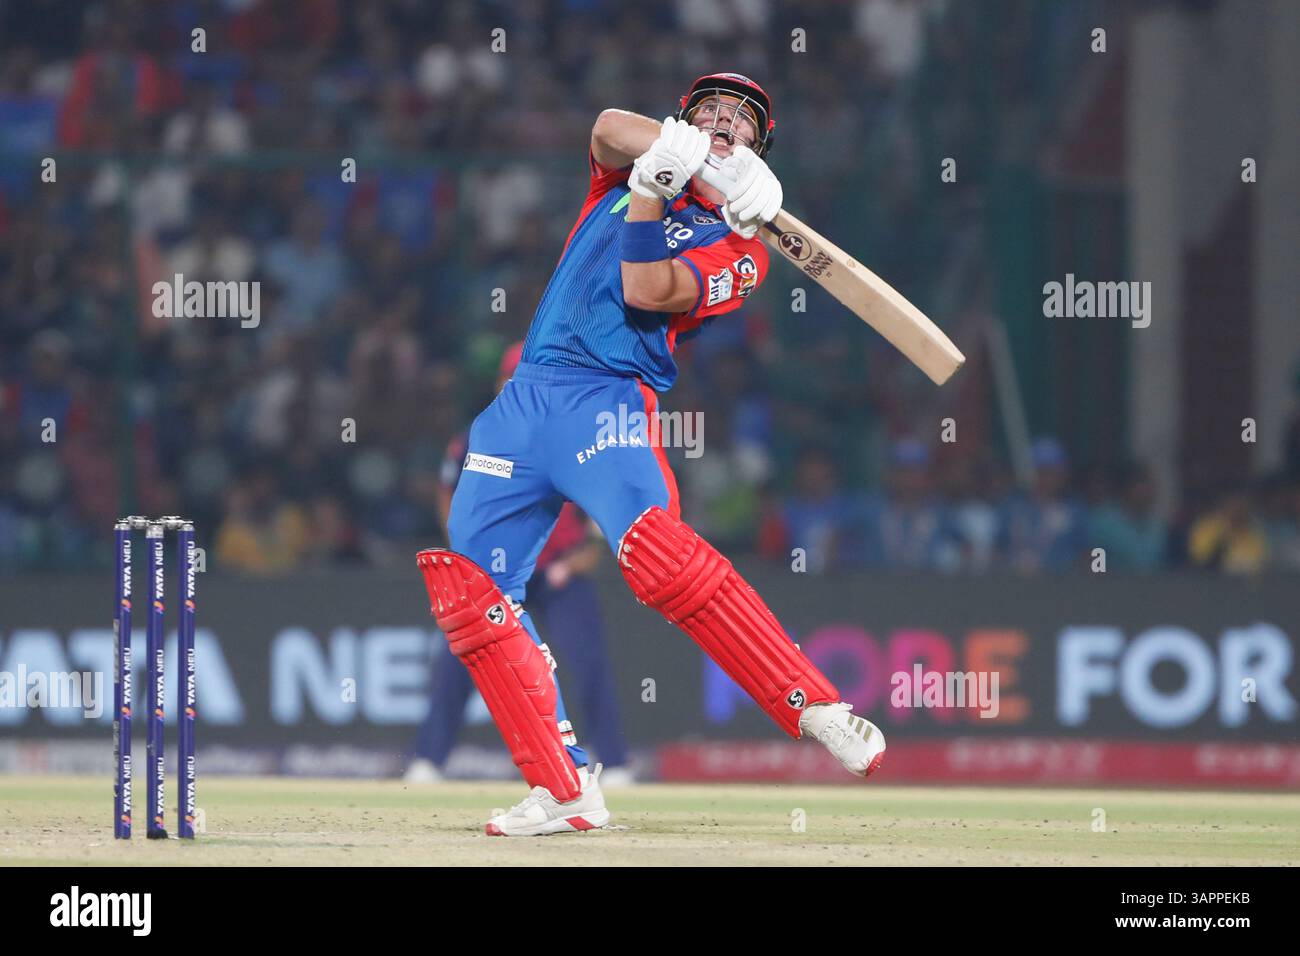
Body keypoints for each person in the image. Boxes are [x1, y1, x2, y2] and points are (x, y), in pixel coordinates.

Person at [416, 73, 885, 837]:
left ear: (762, 151)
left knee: (654, 554)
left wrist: (657, 193)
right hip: (522, 399)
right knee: (469, 591)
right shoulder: (629, 163)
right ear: (684, 117)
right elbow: (606, 124)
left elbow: (643, 288)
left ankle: (817, 705)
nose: (725, 121)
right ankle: (561, 790)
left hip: (606, 402)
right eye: (711, 111)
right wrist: (677, 160)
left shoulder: (743, 249)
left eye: (742, 122)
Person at [406, 343, 632, 785]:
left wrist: (587, 552)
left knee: (588, 664)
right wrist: (466, 555)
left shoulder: (572, 437)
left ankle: (617, 764)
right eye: (506, 381)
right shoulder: (478, 436)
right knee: (461, 659)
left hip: (558, 572)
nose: (513, 389)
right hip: (496, 575)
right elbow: (450, 498)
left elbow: (600, 507)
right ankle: (428, 760)